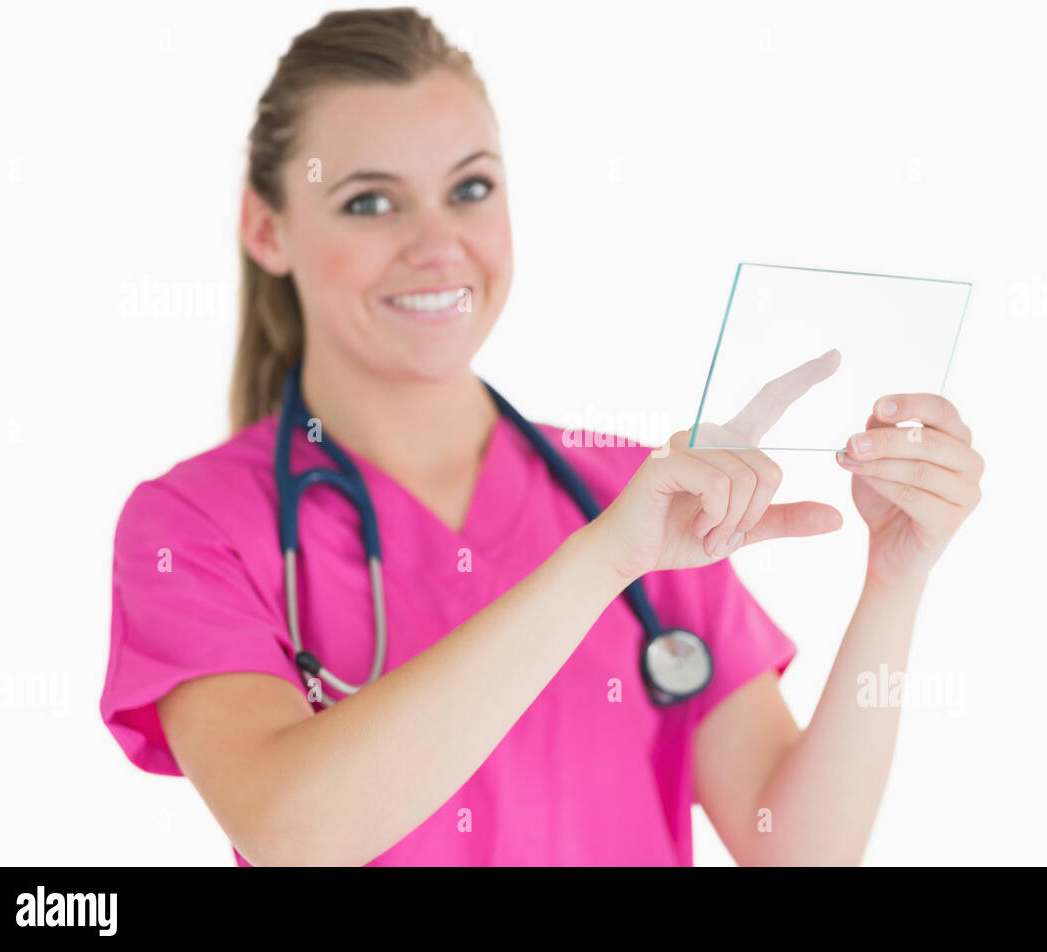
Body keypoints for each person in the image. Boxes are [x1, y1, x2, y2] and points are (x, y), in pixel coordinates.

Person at [99, 7, 985, 867]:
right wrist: (604, 560)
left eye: (470, 188)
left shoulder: (640, 490)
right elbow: (293, 836)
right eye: (371, 201)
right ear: (267, 228)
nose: (438, 244)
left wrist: (892, 585)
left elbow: (796, 849)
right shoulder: (192, 527)